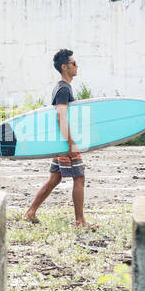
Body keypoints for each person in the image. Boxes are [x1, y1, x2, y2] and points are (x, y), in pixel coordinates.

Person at [23, 48, 90, 226]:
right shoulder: (63, 89)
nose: (77, 65)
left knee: (55, 178)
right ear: (64, 67)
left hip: (60, 140)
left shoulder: (63, 88)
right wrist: (70, 143)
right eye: (73, 63)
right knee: (79, 177)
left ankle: (30, 212)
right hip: (65, 141)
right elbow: (61, 116)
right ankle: (80, 220)